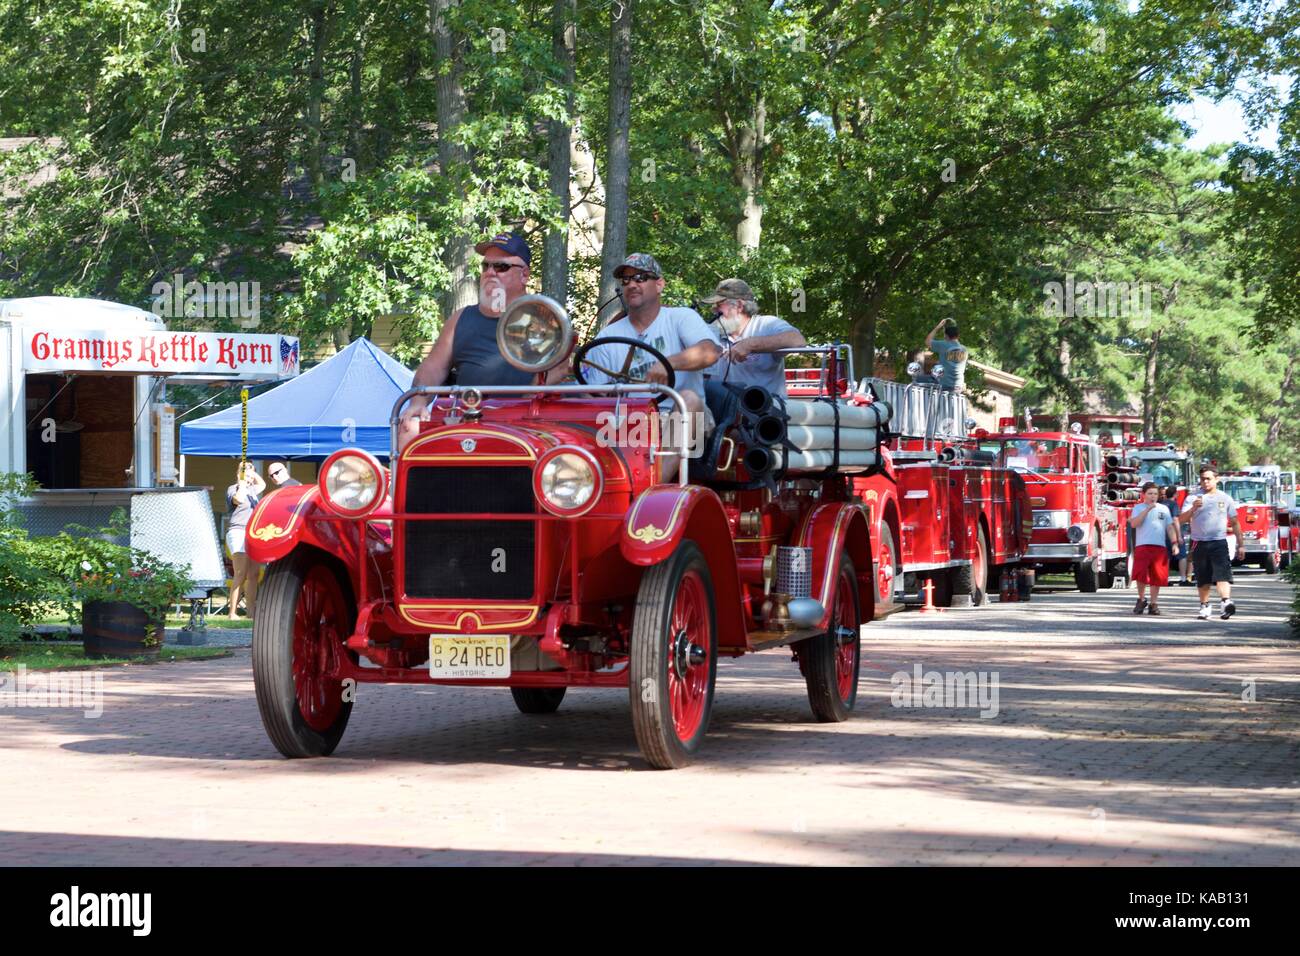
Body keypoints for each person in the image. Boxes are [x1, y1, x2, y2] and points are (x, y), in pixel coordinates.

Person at [397, 231, 566, 453]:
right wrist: (418, 402)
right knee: (410, 425)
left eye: (501, 267)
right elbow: (434, 366)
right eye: (485, 266)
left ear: (524, 275)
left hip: (527, 419)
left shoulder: (544, 317)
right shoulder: (460, 318)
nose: (490, 273)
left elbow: (561, 367)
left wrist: (522, 401)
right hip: (466, 416)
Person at [580, 253, 722, 478]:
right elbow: (592, 395)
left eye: (640, 277)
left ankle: (650, 490)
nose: (632, 284)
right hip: (627, 423)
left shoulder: (680, 318)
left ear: (659, 284)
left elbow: (711, 352)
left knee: (689, 399)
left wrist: (669, 364)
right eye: (625, 280)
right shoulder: (608, 335)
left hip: (683, 418)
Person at [700, 278, 806, 397]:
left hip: (764, 412)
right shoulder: (712, 332)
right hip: (722, 413)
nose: (714, 309)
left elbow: (798, 340)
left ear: (739, 305)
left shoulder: (766, 324)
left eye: (719, 304)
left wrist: (750, 345)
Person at [1179, 466, 1245, 620]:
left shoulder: (1225, 498)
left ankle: (1226, 603)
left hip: (1219, 541)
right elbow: (1181, 519)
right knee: (1203, 578)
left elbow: (1235, 522)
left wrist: (1241, 544)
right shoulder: (1192, 498)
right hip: (1199, 542)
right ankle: (1205, 606)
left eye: (1208, 478)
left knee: (1222, 575)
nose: (1205, 482)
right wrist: (1193, 509)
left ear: (1217, 479)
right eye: (1202, 479)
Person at [1129, 482, 1178, 615]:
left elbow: (1169, 527)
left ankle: (1154, 603)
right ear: (1143, 495)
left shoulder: (1164, 509)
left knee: (1157, 576)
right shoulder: (1138, 508)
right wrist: (1147, 509)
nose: (1153, 496)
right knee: (1141, 574)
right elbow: (1134, 524)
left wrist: (1174, 542)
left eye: (1155, 494)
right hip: (1142, 545)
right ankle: (1141, 598)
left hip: (1159, 546)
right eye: (1150, 493)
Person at [225, 460, 265, 620]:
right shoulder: (234, 489)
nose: (249, 478)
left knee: (254, 574)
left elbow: (262, 484)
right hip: (238, 532)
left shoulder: (252, 490)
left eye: (251, 475)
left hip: (251, 533)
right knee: (240, 573)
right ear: (238, 475)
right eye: (246, 475)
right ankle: (232, 612)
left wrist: (251, 472)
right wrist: (241, 482)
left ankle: (251, 613)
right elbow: (238, 500)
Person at [924, 318, 969, 392]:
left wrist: (937, 327)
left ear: (946, 336)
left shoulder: (943, 345)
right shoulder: (964, 350)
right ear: (958, 336)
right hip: (958, 386)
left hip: (944, 384)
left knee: (919, 379)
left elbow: (927, 342)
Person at [1161, 484, 1190, 584]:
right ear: (1175, 494)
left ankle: (1165, 579)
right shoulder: (1174, 505)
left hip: (1163, 533)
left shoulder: (1161, 504)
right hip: (1173, 532)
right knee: (1182, 556)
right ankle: (1183, 579)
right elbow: (1175, 520)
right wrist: (1178, 536)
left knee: (1166, 557)